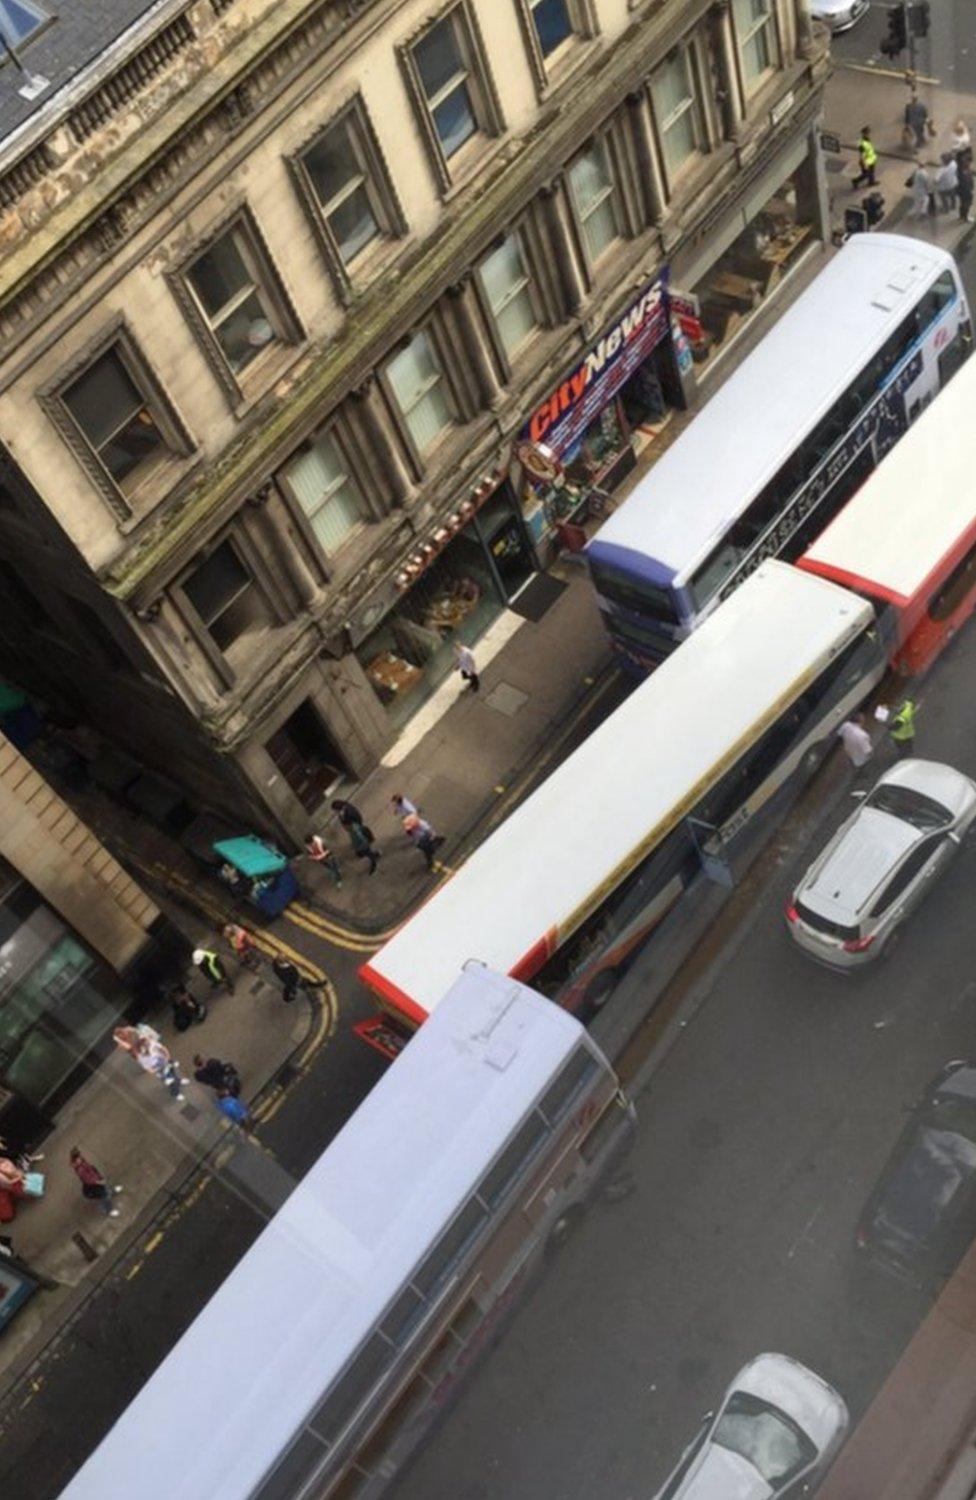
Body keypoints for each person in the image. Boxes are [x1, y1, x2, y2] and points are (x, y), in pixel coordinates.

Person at [69, 1148, 122, 1219]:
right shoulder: (80, 1170)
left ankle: (110, 1192)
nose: (80, 1159)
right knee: (104, 1196)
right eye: (78, 1158)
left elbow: (91, 1170)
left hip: (96, 1182)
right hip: (93, 1187)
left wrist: (99, 1178)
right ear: (75, 1160)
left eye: (79, 1156)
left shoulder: (82, 1163)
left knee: (105, 1190)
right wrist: (99, 1182)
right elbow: (88, 1179)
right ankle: (109, 1210)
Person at [135, 1034, 186, 1101]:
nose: (148, 1043)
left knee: (173, 1072)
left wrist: (167, 1057)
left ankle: (178, 1080)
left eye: (147, 1041)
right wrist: (156, 1070)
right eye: (146, 1043)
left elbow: (163, 1048)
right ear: (142, 1045)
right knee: (171, 1081)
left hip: (164, 1060)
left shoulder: (152, 1043)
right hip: (158, 1068)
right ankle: (176, 1093)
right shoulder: (141, 1056)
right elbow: (148, 1068)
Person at [958, 154, 975, 223]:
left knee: (963, 204)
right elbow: (966, 183)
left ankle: (962, 216)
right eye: (968, 162)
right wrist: (971, 191)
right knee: (967, 204)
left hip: (964, 191)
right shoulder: (964, 172)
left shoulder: (963, 170)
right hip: (966, 192)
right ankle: (965, 217)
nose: (969, 163)